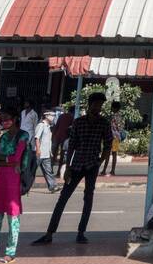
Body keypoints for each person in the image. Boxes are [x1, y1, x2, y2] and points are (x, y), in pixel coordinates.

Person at [32, 92, 112, 246]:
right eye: (96, 104)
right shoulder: (79, 122)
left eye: (100, 105)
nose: (98, 107)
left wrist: (99, 162)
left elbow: (108, 145)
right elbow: (72, 145)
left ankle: (81, 232)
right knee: (63, 198)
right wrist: (67, 166)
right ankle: (49, 233)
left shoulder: (104, 123)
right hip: (77, 165)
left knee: (88, 199)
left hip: (92, 165)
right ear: (90, 104)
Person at [0, 106, 28, 263]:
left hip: (13, 180)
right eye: (2, 118)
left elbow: (16, 158)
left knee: (12, 216)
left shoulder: (23, 135)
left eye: (6, 118)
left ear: (15, 118)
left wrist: (5, 160)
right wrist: (6, 161)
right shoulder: (3, 137)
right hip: (0, 178)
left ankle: (11, 251)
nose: (3, 121)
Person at [32, 111, 58, 193]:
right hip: (39, 153)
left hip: (46, 153)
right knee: (31, 170)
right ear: (46, 116)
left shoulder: (48, 127)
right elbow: (37, 138)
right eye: (52, 115)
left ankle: (52, 186)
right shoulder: (41, 125)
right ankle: (24, 186)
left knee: (48, 171)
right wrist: (38, 149)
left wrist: (50, 151)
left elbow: (48, 141)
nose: (53, 117)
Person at [101, 100, 123, 177]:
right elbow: (120, 128)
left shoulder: (114, 116)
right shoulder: (119, 116)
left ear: (115, 108)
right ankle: (112, 170)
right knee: (114, 154)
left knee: (107, 153)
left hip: (112, 136)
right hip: (116, 136)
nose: (111, 109)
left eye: (112, 107)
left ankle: (104, 170)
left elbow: (115, 127)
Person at [51, 106, 74, 175]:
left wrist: (53, 135)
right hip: (64, 137)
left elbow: (56, 126)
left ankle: (51, 170)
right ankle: (58, 172)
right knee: (62, 155)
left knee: (54, 153)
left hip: (57, 136)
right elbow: (71, 129)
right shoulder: (72, 118)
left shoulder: (62, 116)